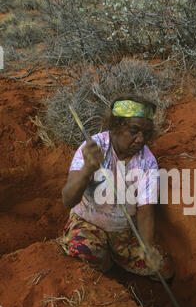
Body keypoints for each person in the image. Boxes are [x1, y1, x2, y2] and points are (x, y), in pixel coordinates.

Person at [60, 95, 174, 282]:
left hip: (122, 233)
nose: (140, 140)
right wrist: (87, 169)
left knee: (163, 267)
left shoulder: (147, 161)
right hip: (88, 225)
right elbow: (68, 200)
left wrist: (146, 247)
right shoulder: (94, 148)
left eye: (145, 133)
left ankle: (111, 259)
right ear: (116, 125)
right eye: (134, 131)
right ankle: (104, 261)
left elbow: (145, 212)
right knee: (86, 252)